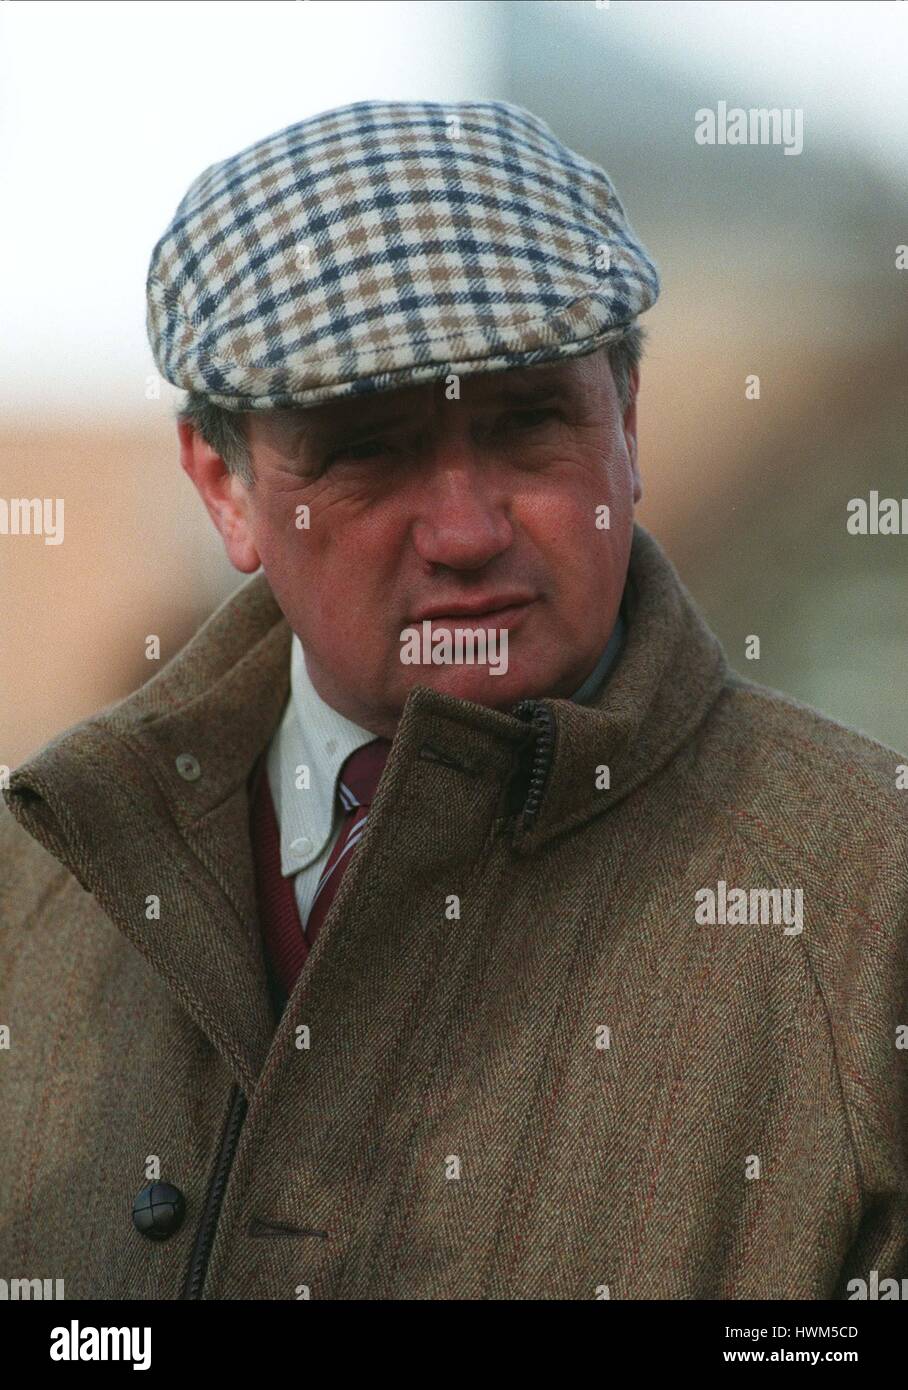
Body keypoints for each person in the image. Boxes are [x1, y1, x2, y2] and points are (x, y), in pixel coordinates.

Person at [1, 99, 906, 1301]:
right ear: (223, 486)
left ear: (625, 425)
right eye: (367, 451)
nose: (467, 534)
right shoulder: (38, 896)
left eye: (528, 426)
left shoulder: (866, 914)